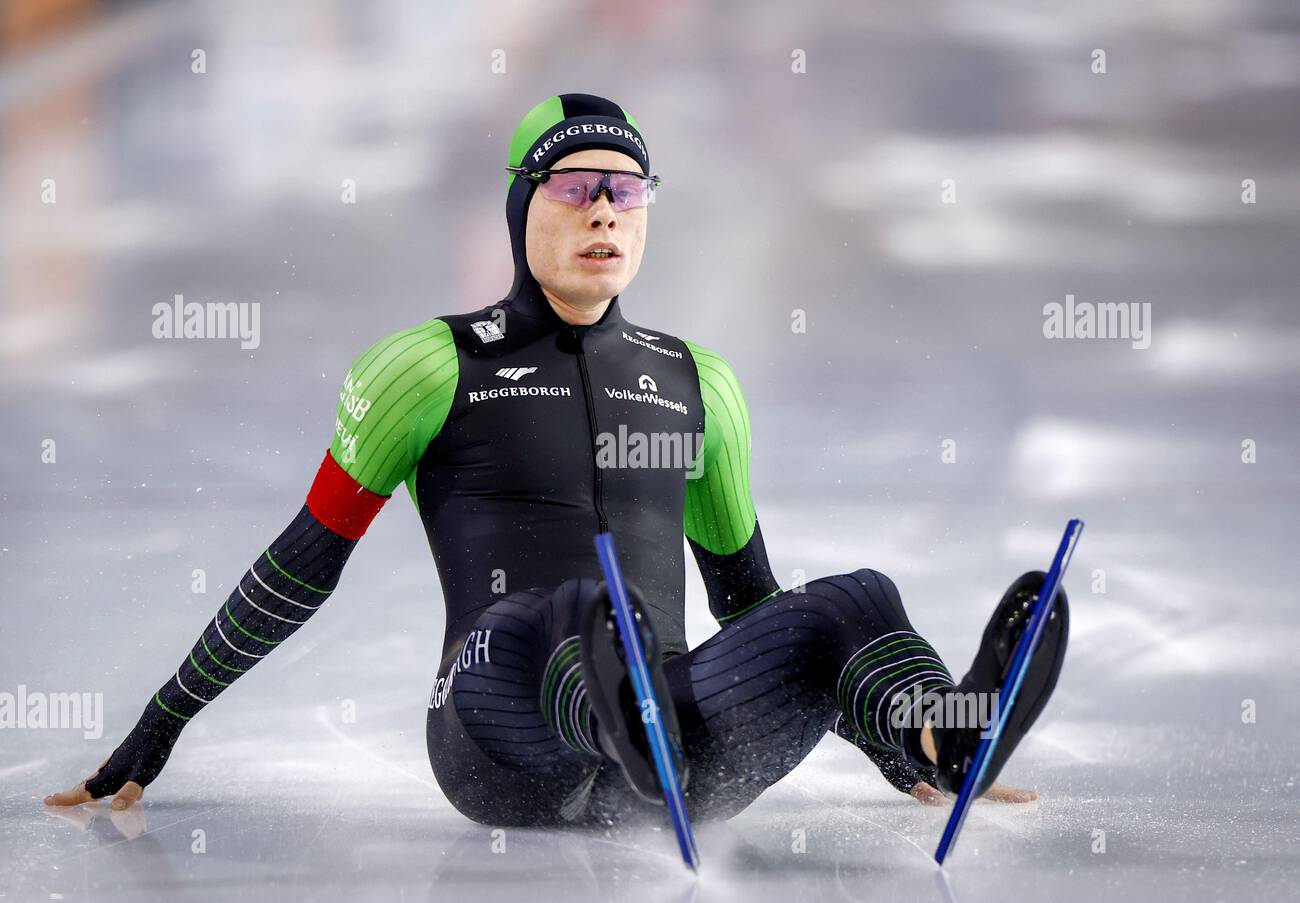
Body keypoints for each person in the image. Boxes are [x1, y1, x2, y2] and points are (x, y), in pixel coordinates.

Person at [47, 94, 1066, 827]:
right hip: (497, 740)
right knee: (550, 613)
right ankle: (618, 707)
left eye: (626, 189)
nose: (604, 211)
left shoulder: (695, 381)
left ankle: (942, 732)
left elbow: (751, 603)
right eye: (575, 186)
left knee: (854, 596)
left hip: (682, 745)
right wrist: (164, 717)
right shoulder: (425, 365)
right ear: (520, 206)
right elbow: (305, 560)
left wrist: (887, 741)